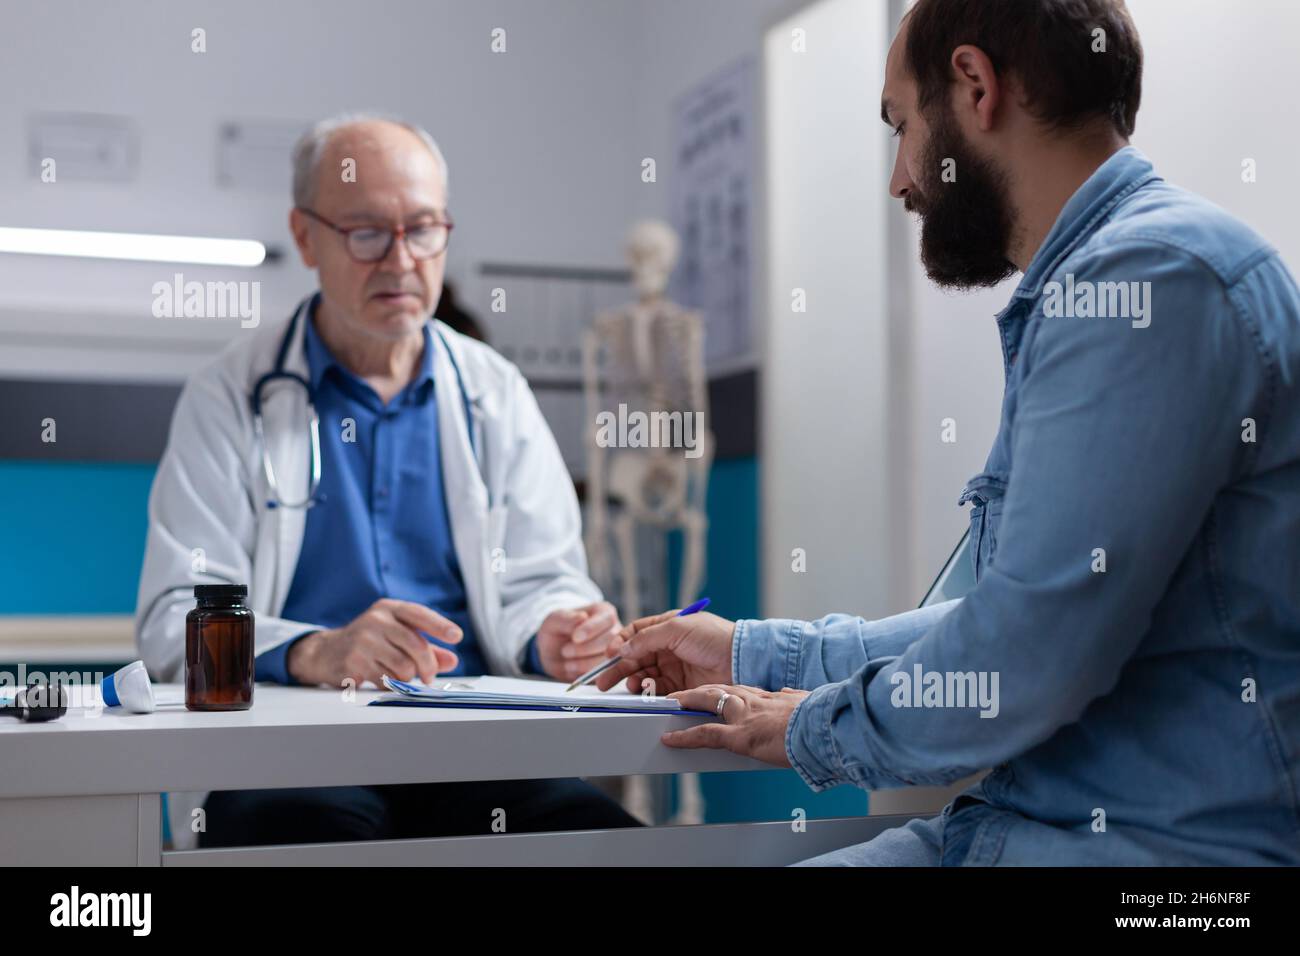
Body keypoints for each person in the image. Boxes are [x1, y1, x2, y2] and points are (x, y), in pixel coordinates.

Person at [599, 0, 1300, 865]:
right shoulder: (1100, 283)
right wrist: (755, 651)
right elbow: (1001, 618)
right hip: (1016, 831)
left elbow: (1022, 656)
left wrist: (815, 729)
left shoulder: (1150, 281)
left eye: (901, 126)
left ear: (974, 86)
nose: (900, 179)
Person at [136, 113, 640, 847]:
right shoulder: (229, 395)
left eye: (425, 229)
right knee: (313, 838)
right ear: (305, 236)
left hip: (474, 754)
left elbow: (544, 580)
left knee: (605, 842)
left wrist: (554, 635)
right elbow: (172, 619)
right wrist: (316, 650)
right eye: (367, 233)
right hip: (292, 752)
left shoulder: (493, 392)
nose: (401, 261)